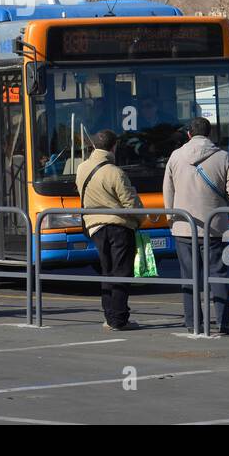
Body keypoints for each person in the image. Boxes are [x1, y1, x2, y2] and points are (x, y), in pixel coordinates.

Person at [163, 116, 229, 336]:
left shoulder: (176, 156)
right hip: (214, 226)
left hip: (183, 225)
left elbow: (168, 191)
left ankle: (193, 323)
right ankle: (225, 322)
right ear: (210, 134)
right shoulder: (221, 156)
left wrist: (172, 218)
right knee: (218, 274)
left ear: (189, 133)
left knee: (189, 276)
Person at [75, 129, 144, 331]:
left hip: (95, 227)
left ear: (94, 146)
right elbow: (130, 203)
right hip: (118, 226)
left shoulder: (82, 168)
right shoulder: (115, 172)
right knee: (121, 272)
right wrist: (141, 220)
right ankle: (119, 319)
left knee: (107, 271)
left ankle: (109, 316)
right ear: (114, 147)